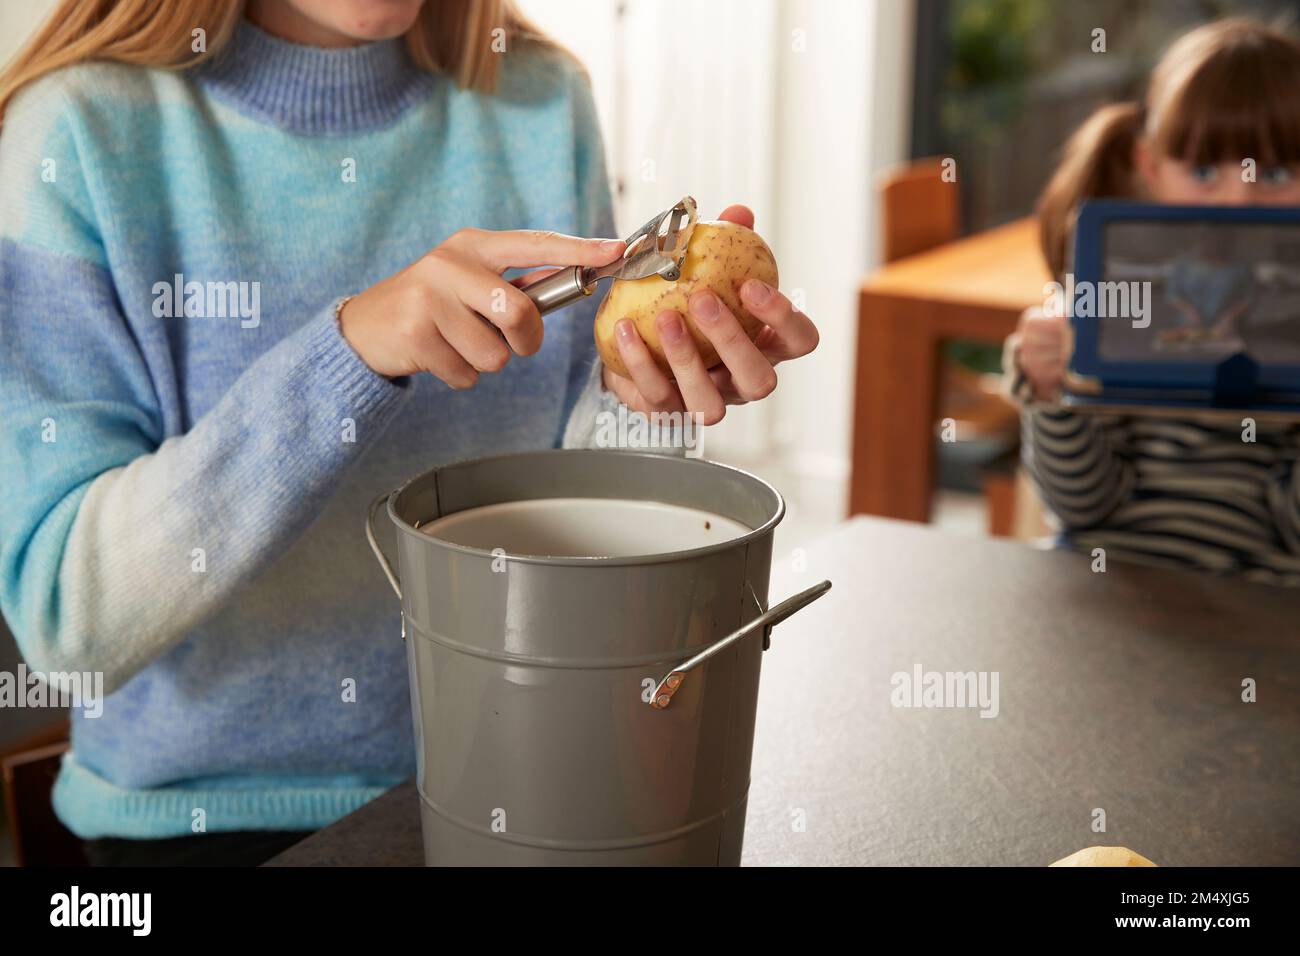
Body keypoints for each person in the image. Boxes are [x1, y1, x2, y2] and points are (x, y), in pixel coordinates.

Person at [0, 0, 818, 864]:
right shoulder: (78, 133)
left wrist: (645, 406)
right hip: (211, 828)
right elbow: (66, 620)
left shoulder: (539, 99)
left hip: (530, 782)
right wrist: (348, 355)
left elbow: (569, 530)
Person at [1005, 18, 1300, 584]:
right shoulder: (1111, 300)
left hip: (1267, 605)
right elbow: (1082, 507)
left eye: (1278, 171)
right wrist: (1050, 392)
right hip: (1104, 588)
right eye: (1206, 170)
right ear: (1149, 168)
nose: (1239, 200)